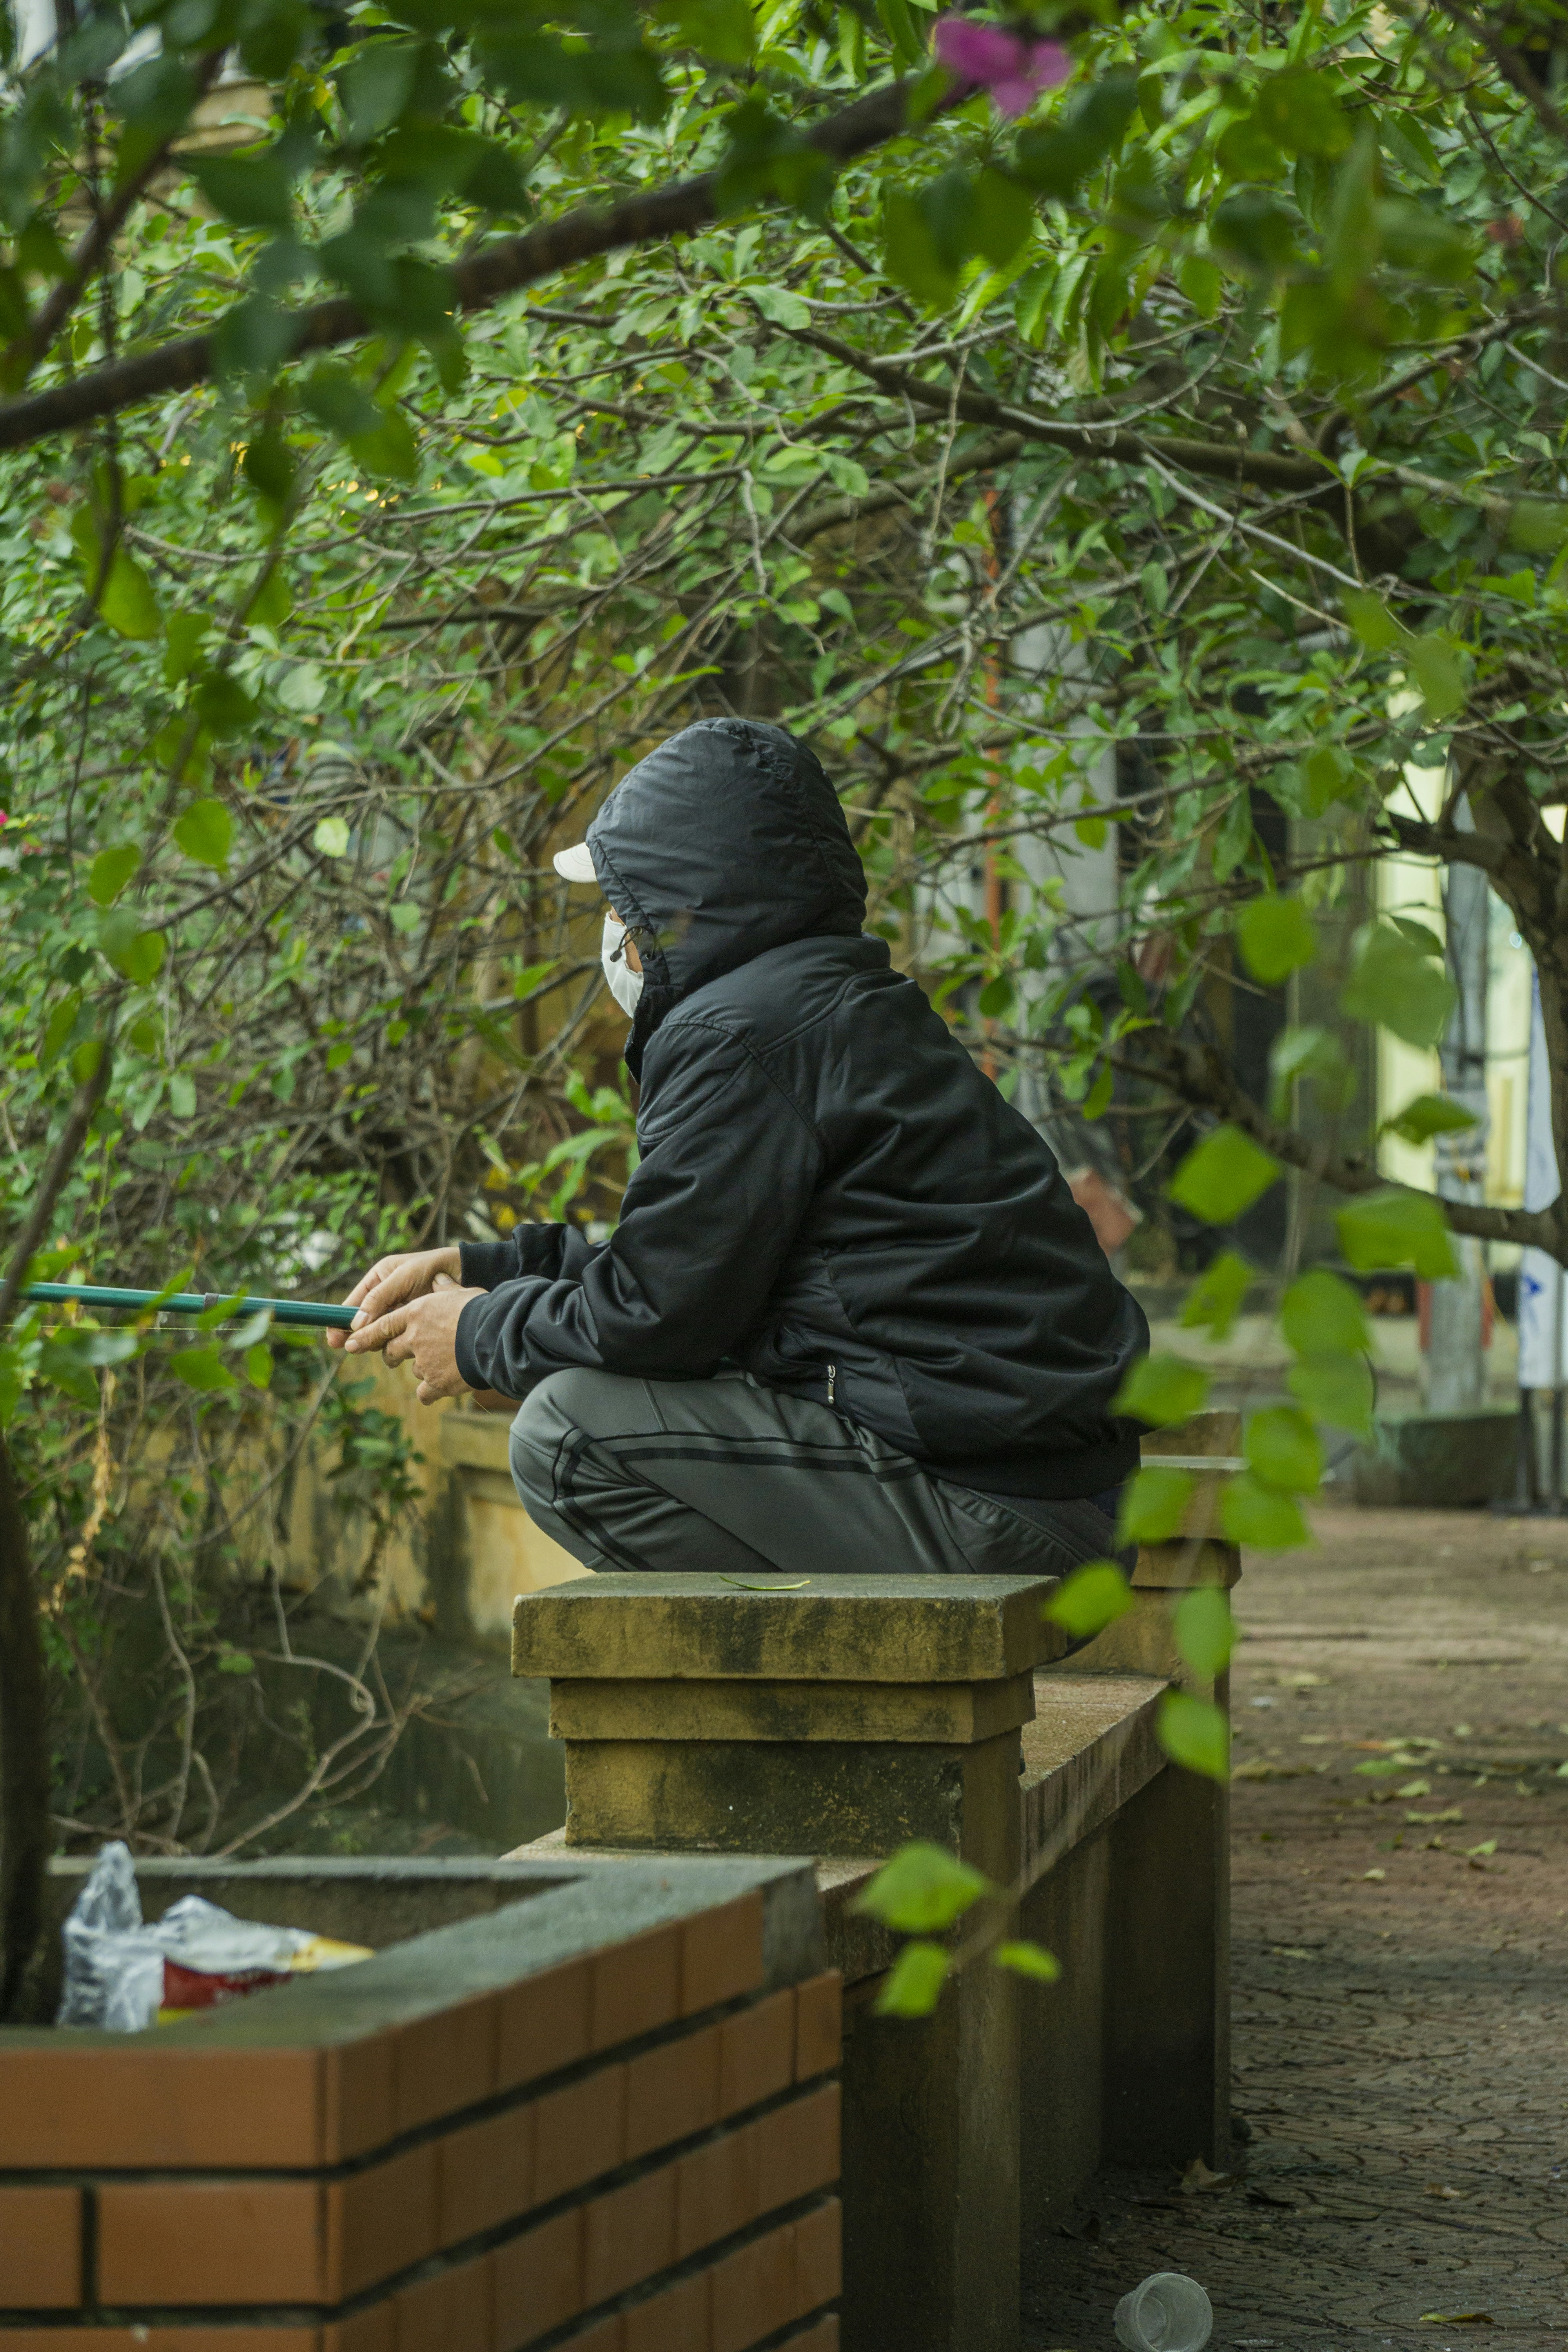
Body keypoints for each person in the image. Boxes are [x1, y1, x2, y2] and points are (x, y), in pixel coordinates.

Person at [333, 717, 1149, 1581]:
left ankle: (805, 1700)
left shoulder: (742, 1033)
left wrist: (478, 1335)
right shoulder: (832, 1000)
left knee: (567, 1435)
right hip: (1061, 1495)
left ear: (686, 902)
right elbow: (697, 1270)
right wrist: (484, 1266)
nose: (615, 928)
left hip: (999, 1515)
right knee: (601, 1394)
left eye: (624, 901)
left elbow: (659, 1315)